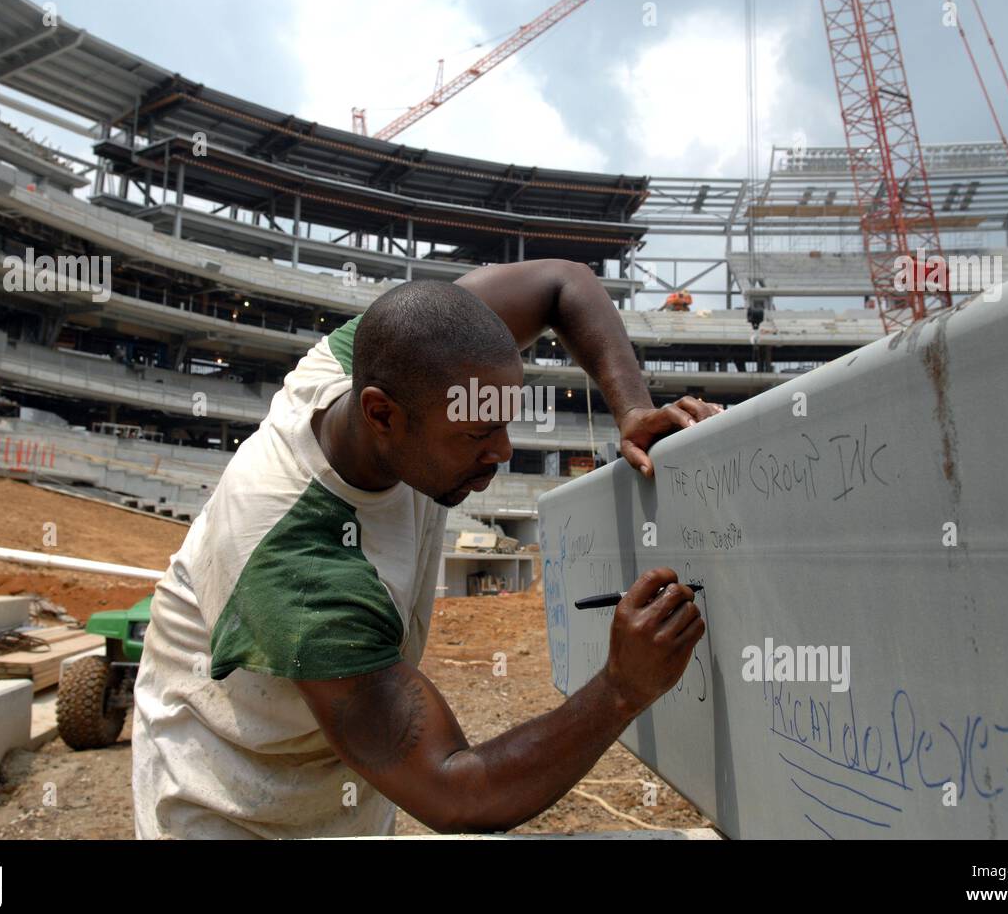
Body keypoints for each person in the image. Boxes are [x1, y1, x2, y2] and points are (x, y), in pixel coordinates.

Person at [132, 259, 720, 838]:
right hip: (236, 803)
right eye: (476, 434)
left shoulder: (389, 360)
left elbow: (565, 282)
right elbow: (455, 794)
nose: (504, 452)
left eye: (505, 421)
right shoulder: (300, 567)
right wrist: (622, 687)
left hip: (336, 773)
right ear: (381, 414)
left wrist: (633, 408)